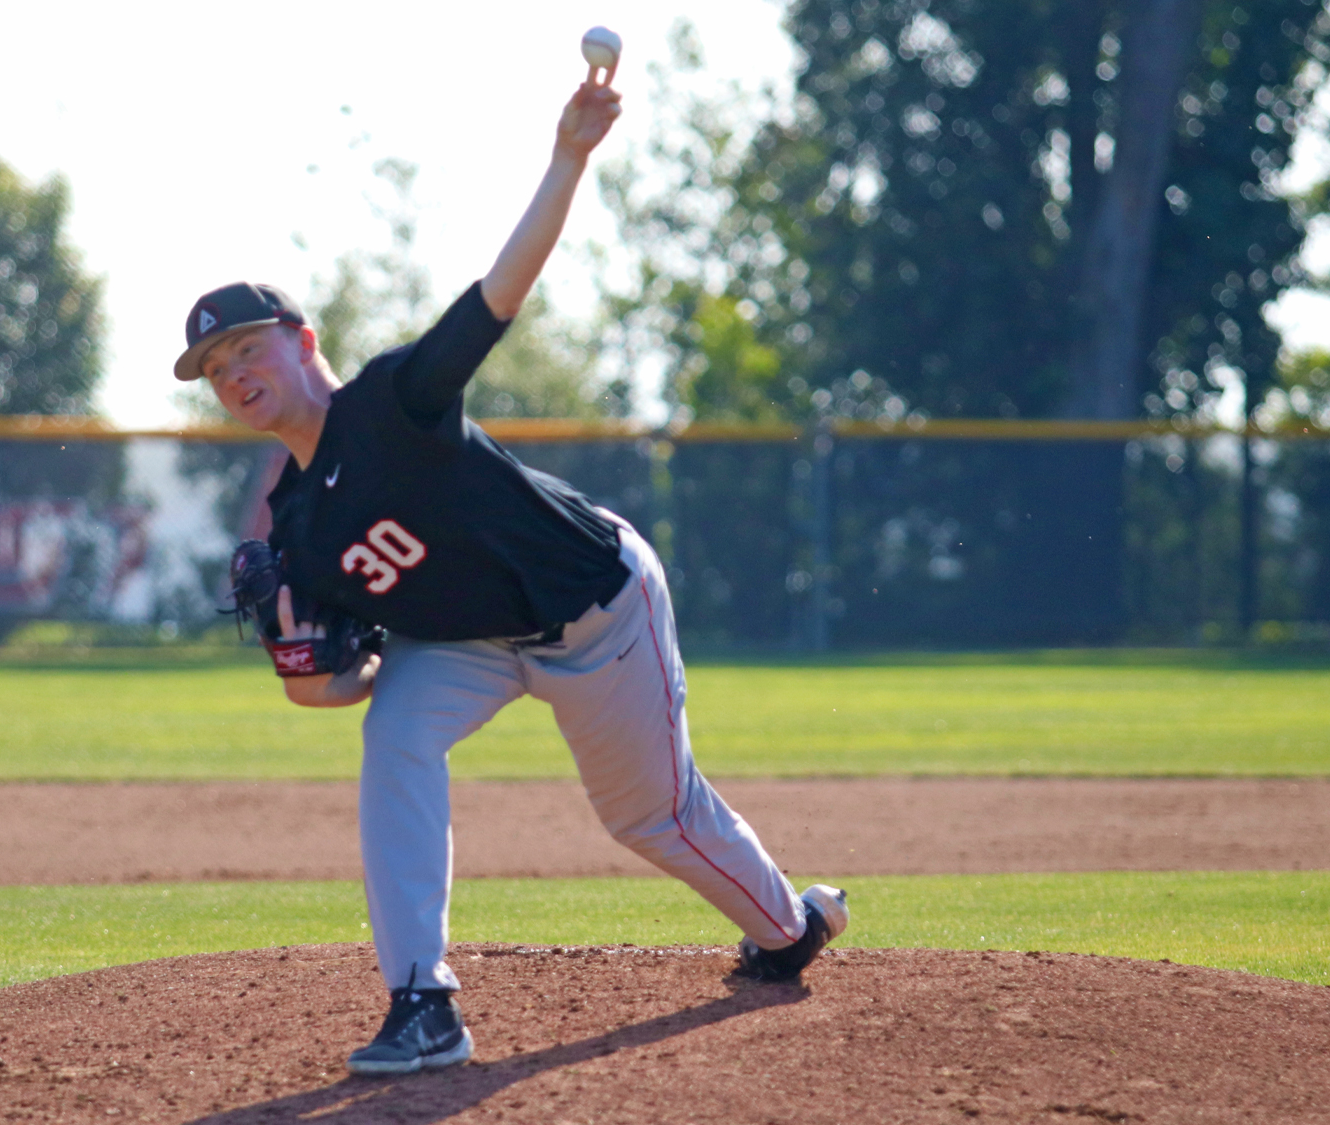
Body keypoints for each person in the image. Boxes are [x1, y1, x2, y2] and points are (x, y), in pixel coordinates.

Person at [174, 77, 849, 1077]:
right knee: (394, 737)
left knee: (648, 818)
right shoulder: (296, 527)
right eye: (213, 367)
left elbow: (498, 295)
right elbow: (335, 683)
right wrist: (307, 670)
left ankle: (786, 929)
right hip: (461, 643)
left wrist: (567, 160)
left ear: (301, 340)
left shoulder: (394, 401)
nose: (231, 372)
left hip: (594, 608)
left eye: (243, 345)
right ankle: (422, 1002)